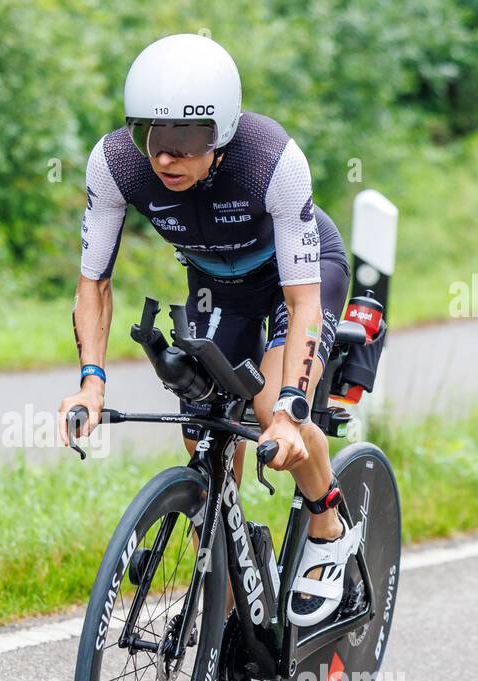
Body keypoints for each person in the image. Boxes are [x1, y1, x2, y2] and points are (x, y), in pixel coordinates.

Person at [58, 33, 360, 627]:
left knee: (273, 407)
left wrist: (292, 409)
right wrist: (92, 381)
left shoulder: (272, 161)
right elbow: (92, 282)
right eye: (151, 137)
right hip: (217, 286)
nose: (164, 158)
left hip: (296, 278)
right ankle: (224, 571)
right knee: (202, 419)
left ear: (220, 135)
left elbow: (301, 302)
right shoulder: (115, 163)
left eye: (184, 142)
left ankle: (328, 528)